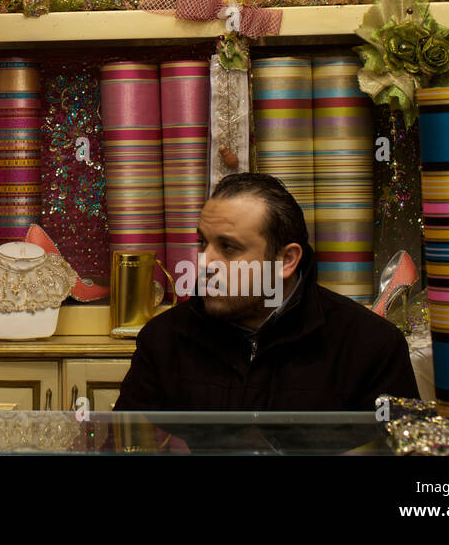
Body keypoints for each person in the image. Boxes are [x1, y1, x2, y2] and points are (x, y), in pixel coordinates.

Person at [114, 172, 420, 412]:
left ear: (286, 260)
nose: (204, 262)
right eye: (203, 243)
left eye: (228, 247)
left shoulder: (370, 346)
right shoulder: (164, 339)